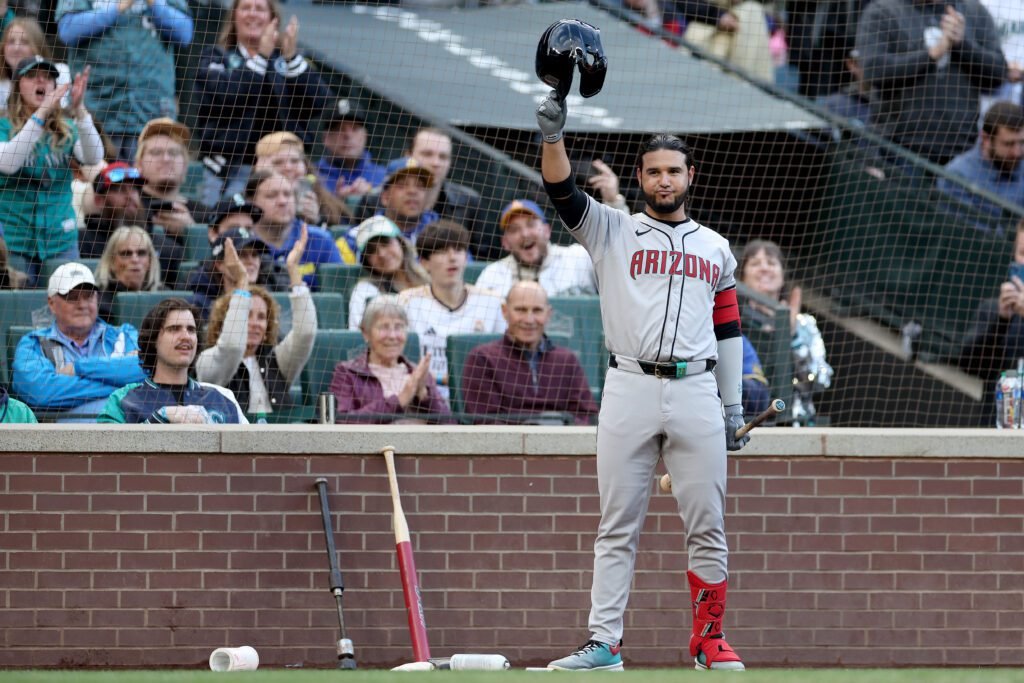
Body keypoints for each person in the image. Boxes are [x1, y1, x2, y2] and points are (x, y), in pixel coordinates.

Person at [536, 90, 748, 671]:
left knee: (708, 522)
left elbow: (727, 327)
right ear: (640, 176)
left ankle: (708, 638)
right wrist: (553, 138)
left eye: (673, 171)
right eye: (654, 171)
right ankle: (605, 643)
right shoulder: (611, 230)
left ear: (689, 176)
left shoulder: (716, 247)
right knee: (616, 525)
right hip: (628, 384)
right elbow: (562, 190)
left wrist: (732, 407)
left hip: (698, 389)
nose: (663, 180)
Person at [193, 0, 332, 206]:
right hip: (227, 171)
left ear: (272, 19)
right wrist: (260, 58)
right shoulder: (216, 57)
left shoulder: (286, 61)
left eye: (260, 9)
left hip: (284, 172)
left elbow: (320, 102)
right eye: (246, 8)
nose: (253, 14)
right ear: (234, 17)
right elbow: (226, 96)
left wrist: (291, 58)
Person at [856, 0, 1006, 165]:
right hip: (899, 148)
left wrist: (963, 45)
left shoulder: (973, 10)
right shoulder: (883, 10)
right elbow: (874, 70)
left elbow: (998, 73)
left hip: (960, 153)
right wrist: (932, 55)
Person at [0, 56, 102, 287]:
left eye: (48, 77)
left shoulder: (65, 128)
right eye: (32, 76)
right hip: (15, 240)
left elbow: (93, 156)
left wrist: (80, 111)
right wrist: (42, 114)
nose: (42, 81)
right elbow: (9, 163)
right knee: (19, 311)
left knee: (68, 303)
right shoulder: (2, 126)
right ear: (18, 85)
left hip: (60, 240)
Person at [195, 226, 316, 417]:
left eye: (262, 317)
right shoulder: (208, 360)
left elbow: (306, 333)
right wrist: (242, 282)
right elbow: (233, 347)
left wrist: (293, 270)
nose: (255, 323)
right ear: (227, 319)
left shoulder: (276, 360)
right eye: (246, 315)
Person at [56, 0, 193, 162]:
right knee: (96, 182)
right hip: (98, 111)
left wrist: (155, 4)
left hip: (150, 112)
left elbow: (185, 33)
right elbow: (68, 30)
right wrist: (118, 7)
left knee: (147, 184)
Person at [12, 262, 146, 421]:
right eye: (72, 297)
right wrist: (120, 383)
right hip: (61, 440)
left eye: (88, 296)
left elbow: (146, 371)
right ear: (52, 303)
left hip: (125, 435)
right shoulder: (33, 344)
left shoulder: (124, 335)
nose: (82, 305)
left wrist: (79, 368)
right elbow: (42, 392)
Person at [460, 281, 598, 425]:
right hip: (509, 445)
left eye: (537, 310)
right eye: (521, 310)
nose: (529, 320)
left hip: (562, 442)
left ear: (548, 314)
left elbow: (587, 415)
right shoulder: (482, 359)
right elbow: (486, 422)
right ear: (505, 311)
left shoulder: (567, 360)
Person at [398, 221, 505, 403]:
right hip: (424, 399)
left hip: (482, 399)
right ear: (424, 262)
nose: (452, 257)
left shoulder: (493, 301)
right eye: (441, 251)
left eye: (458, 250)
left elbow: (506, 359)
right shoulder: (406, 302)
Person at [98, 298, 248, 423]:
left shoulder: (223, 399)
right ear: (153, 340)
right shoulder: (123, 401)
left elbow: (249, 453)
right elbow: (105, 455)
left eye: (191, 329)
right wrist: (158, 419)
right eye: (174, 329)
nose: (186, 336)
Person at [738, 239, 833, 426]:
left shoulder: (804, 324)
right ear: (742, 277)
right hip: (746, 424)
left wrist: (792, 335)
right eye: (755, 263)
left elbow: (820, 381)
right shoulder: (732, 322)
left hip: (796, 425)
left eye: (772, 263)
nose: (764, 268)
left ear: (783, 275)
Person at [329, 295, 449, 424]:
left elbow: (451, 427)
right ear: (365, 333)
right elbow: (341, 424)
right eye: (383, 327)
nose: (392, 336)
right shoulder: (347, 373)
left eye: (399, 327)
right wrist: (399, 401)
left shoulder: (417, 374)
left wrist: (424, 395)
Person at [958, 219, 1024, 422]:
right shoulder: (992, 309)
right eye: (1023, 253)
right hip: (995, 437)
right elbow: (970, 365)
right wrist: (1001, 321)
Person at [474, 199, 597, 298]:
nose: (525, 234)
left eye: (531, 225)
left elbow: (613, 256)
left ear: (547, 231)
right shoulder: (492, 276)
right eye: (514, 229)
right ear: (505, 242)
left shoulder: (579, 257)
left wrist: (614, 202)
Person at [246, 170, 342, 290]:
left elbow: (337, 293)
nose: (283, 201)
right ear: (251, 202)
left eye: (288, 194)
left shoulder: (320, 239)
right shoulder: (242, 241)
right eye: (272, 195)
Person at [937, 101, 1024, 222]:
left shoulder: (1020, 165)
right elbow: (968, 232)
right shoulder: (957, 176)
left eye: (1021, 143)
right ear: (986, 139)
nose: (1017, 152)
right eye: (1008, 144)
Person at [253, 130, 351, 230]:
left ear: (305, 166)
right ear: (260, 168)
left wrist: (318, 222)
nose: (288, 167)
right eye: (277, 162)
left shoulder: (328, 205)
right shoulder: (247, 205)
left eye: (295, 161)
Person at [186, 224, 287, 321]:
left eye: (255, 254)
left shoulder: (268, 302)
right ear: (219, 264)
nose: (251, 261)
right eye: (241, 254)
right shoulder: (199, 306)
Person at [135, 117, 211, 245]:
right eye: (156, 152)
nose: (166, 159)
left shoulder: (204, 214)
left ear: (185, 166)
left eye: (174, 152)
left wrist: (190, 231)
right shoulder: (130, 205)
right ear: (139, 165)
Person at [347, 215, 429, 331]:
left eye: (385, 243)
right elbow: (358, 337)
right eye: (371, 251)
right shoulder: (365, 291)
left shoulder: (431, 281)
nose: (382, 254)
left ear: (401, 243)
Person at [315, 98, 385, 205]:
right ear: (326, 138)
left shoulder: (383, 177)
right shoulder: (312, 176)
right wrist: (336, 202)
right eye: (339, 129)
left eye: (355, 128)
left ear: (365, 136)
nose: (348, 135)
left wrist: (371, 200)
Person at [94, 225, 163, 322]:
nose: (135, 259)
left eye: (141, 253)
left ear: (150, 261)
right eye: (126, 253)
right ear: (112, 262)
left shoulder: (164, 297)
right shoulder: (97, 302)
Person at [0, 18, 54, 116]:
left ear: (37, 46)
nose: (16, 48)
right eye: (11, 41)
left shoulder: (59, 73)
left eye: (24, 42)